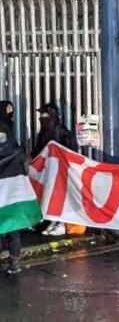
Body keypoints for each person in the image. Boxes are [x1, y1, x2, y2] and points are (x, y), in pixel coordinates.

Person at [35, 102, 78, 236]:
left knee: (61, 196)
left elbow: (71, 150)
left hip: (61, 171)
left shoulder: (62, 132)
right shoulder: (43, 133)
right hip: (48, 171)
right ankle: (53, 220)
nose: (42, 118)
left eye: (45, 115)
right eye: (41, 115)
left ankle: (62, 223)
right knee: (50, 195)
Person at [0, 122, 26, 274]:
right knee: (13, 229)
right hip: (13, 196)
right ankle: (15, 262)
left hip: (6, 195)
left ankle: (14, 262)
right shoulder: (16, 152)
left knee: (9, 229)